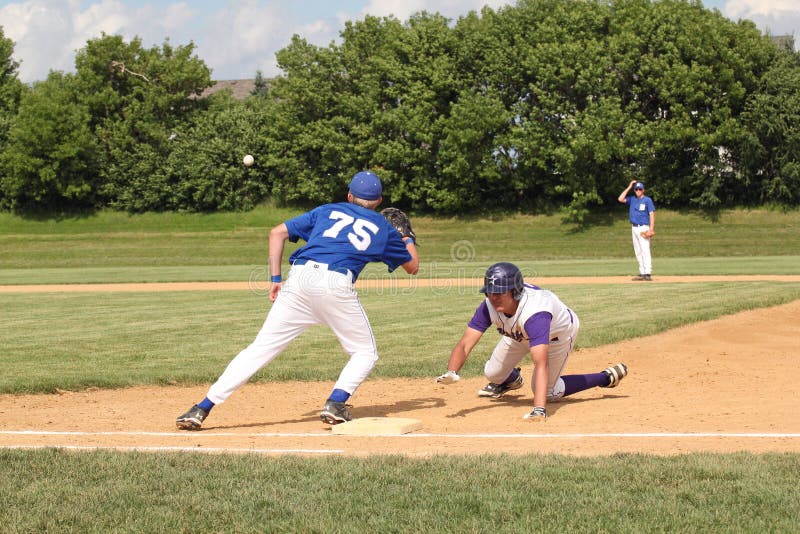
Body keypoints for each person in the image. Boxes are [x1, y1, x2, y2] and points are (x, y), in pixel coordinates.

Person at [176, 171, 419, 429]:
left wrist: (275, 279)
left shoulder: (326, 211)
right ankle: (336, 403)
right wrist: (406, 237)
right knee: (365, 352)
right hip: (335, 284)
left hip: (299, 279)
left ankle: (201, 408)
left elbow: (276, 233)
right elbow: (412, 266)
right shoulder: (382, 227)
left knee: (259, 349)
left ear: (349, 196)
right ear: (379, 201)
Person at [435, 262, 627, 421]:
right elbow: (465, 344)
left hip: (555, 336)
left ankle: (605, 378)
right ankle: (512, 381)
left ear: (515, 292)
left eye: (499, 292)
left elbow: (540, 363)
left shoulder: (536, 313)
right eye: (490, 292)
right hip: (520, 333)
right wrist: (452, 372)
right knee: (492, 373)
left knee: (547, 393)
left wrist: (539, 409)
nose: (493, 298)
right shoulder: (489, 306)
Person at [618, 180, 656, 281]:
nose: (638, 190)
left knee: (645, 250)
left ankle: (647, 273)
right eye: (636, 189)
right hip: (634, 227)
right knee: (638, 251)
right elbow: (620, 198)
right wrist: (629, 186)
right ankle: (642, 273)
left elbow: (651, 215)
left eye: (640, 189)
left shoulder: (647, 200)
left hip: (644, 227)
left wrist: (651, 229)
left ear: (643, 190)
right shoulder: (632, 199)